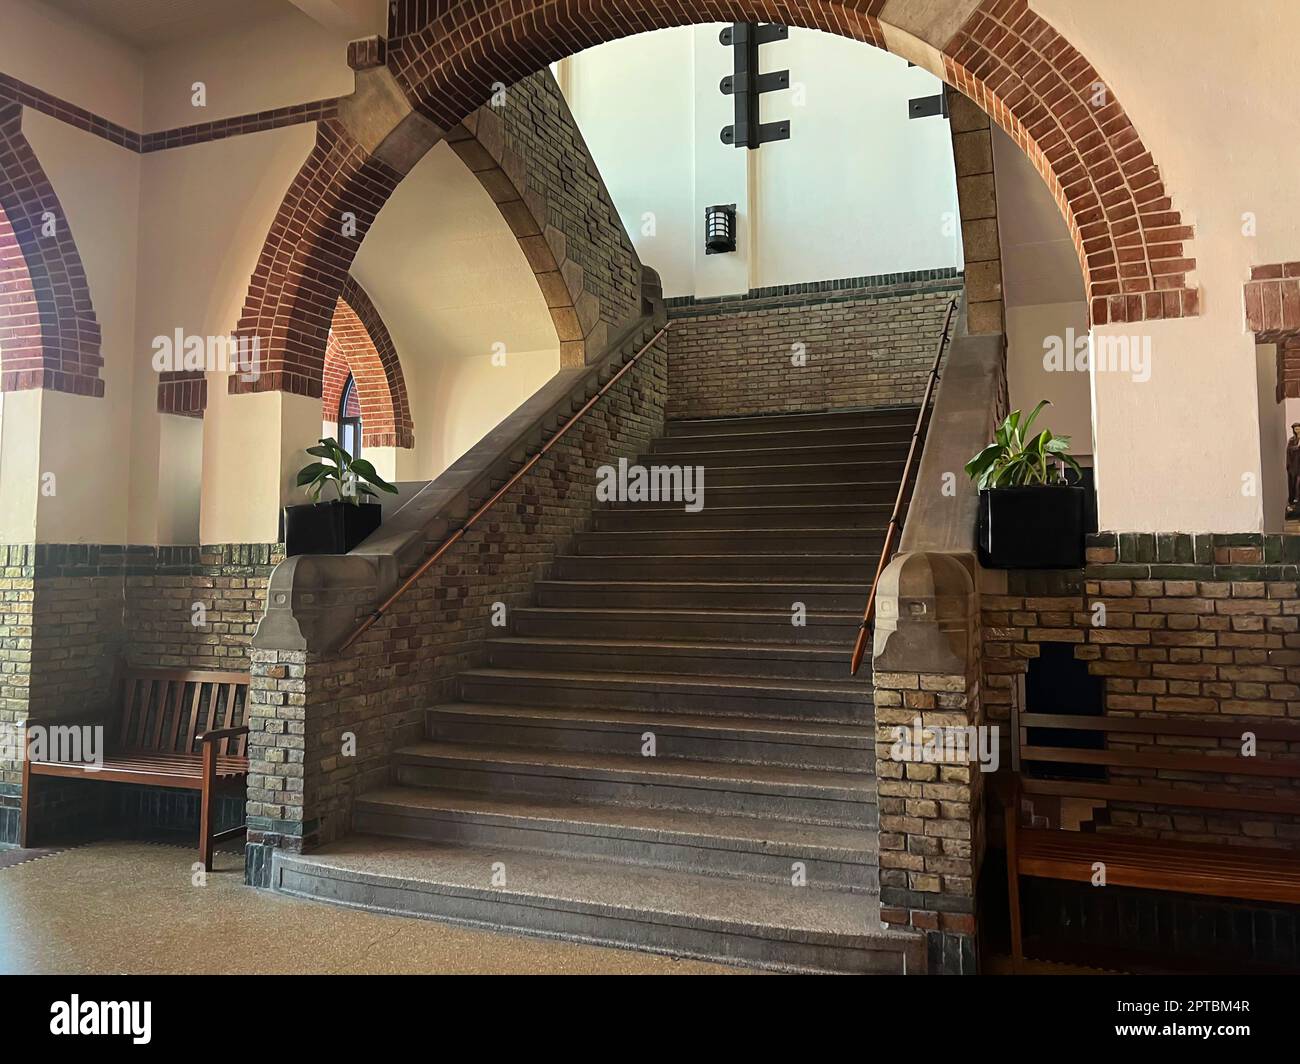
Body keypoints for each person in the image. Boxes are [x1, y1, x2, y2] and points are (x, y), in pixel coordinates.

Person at [1288, 423, 1300, 516]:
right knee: (1295, 482)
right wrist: (1297, 447)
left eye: (1298, 429)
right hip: (1295, 464)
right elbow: (1289, 450)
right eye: (1296, 429)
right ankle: (1295, 499)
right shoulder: (1292, 440)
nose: (1298, 431)